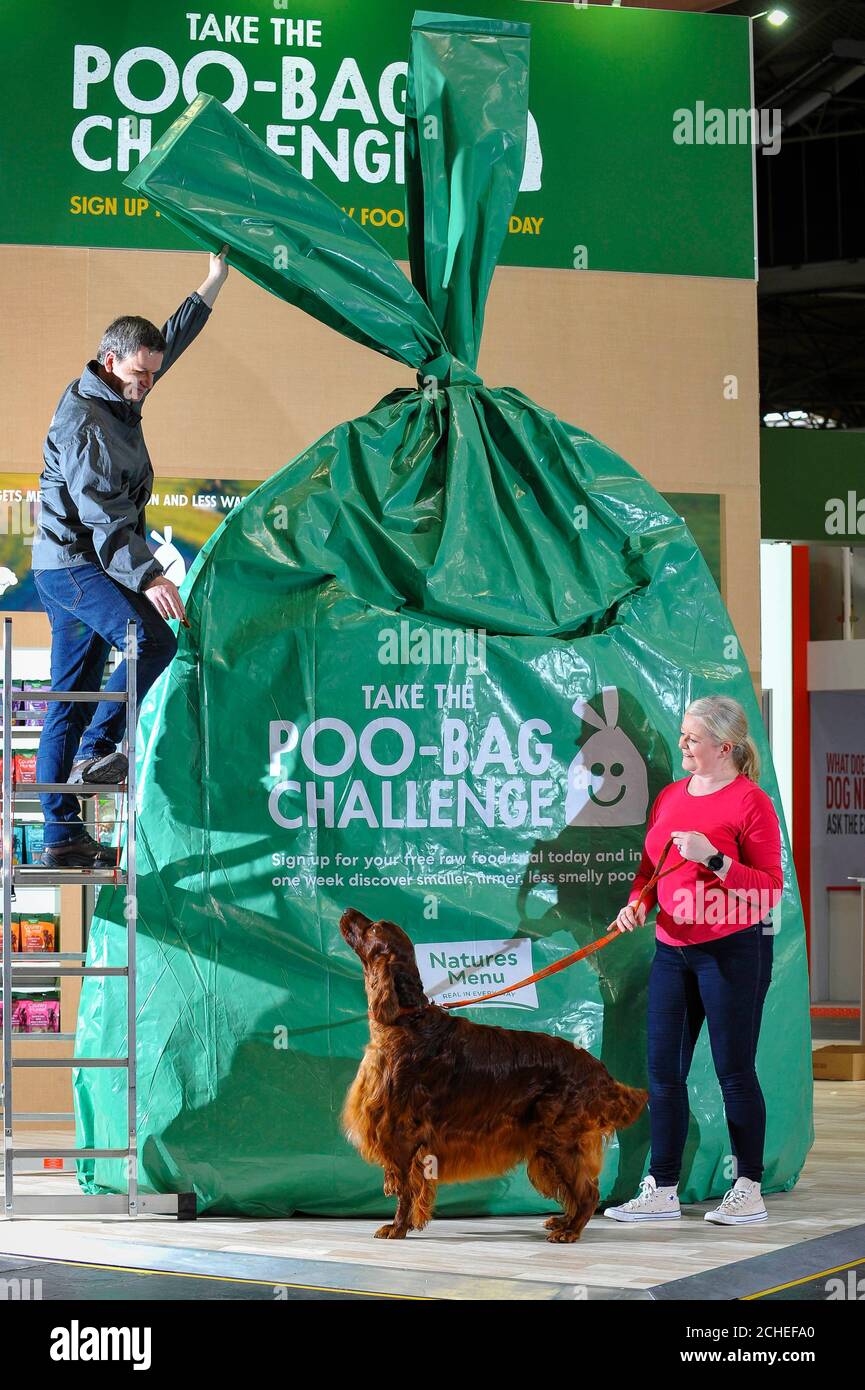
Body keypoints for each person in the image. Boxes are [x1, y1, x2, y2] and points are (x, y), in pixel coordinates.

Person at [31, 249, 229, 868]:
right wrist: (151, 577)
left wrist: (213, 281)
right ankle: (96, 752)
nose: (147, 385)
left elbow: (169, 340)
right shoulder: (89, 422)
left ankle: (62, 837)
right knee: (153, 639)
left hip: (86, 563)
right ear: (110, 360)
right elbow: (103, 522)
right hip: (72, 565)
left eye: (152, 375)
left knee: (71, 695)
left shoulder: (118, 388)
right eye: (141, 375)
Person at [605, 695, 783, 1227]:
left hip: (732, 951)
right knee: (663, 1074)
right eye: (682, 734)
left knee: (734, 1072)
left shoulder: (751, 803)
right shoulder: (670, 797)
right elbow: (649, 868)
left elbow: (770, 889)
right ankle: (662, 1189)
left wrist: (717, 859)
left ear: (724, 747)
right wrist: (638, 903)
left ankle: (748, 1187)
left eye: (691, 738)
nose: (680, 743)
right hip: (672, 952)